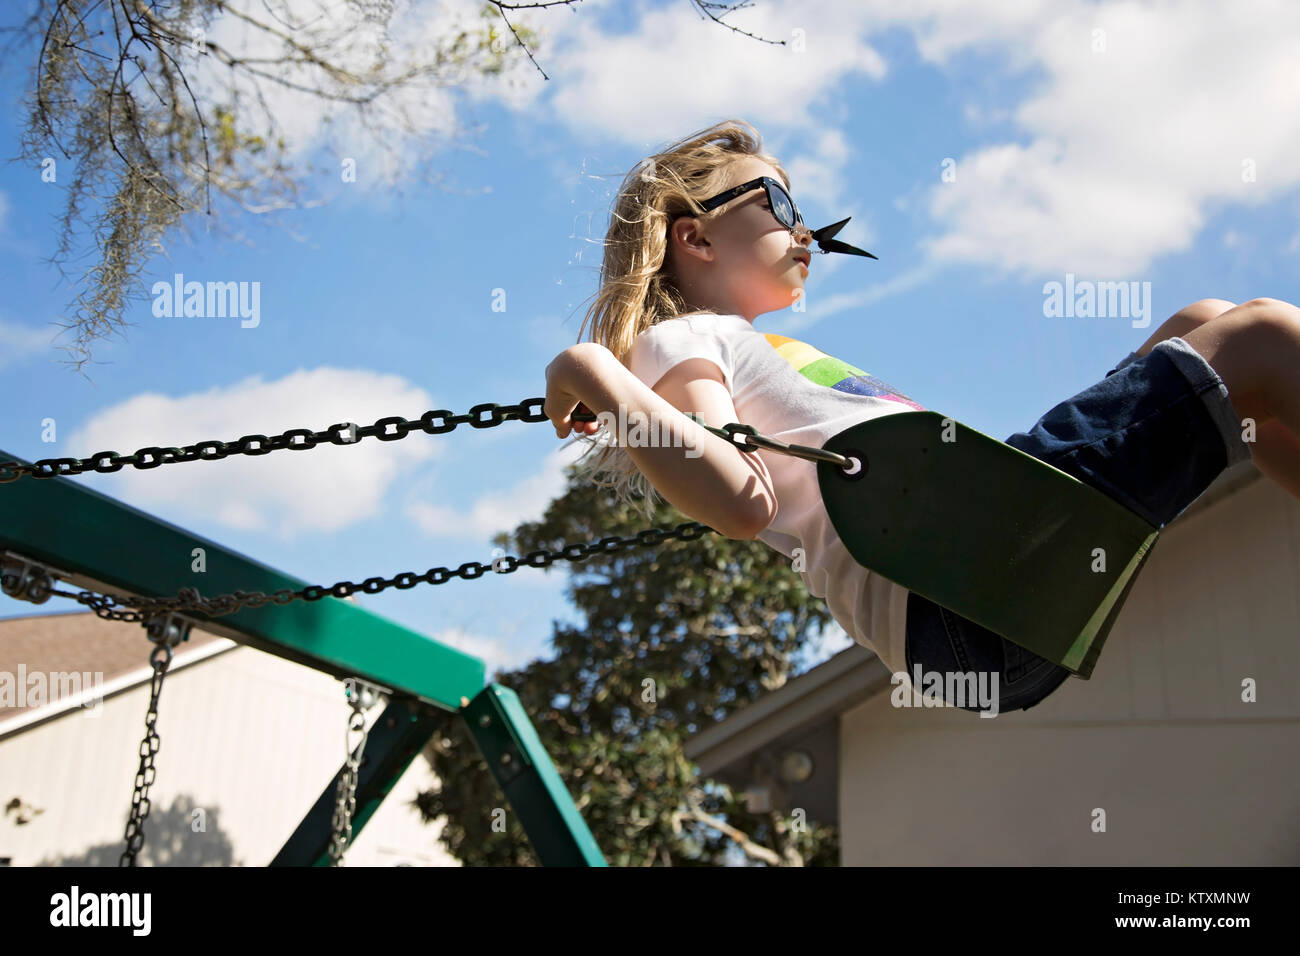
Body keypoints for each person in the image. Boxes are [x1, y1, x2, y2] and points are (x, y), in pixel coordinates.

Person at [543, 119, 1300, 716]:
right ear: (696, 236)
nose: (804, 229)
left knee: (1208, 326)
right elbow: (742, 501)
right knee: (1260, 335)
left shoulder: (751, 347)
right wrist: (596, 375)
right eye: (776, 204)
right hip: (963, 585)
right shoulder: (681, 341)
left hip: (981, 610)